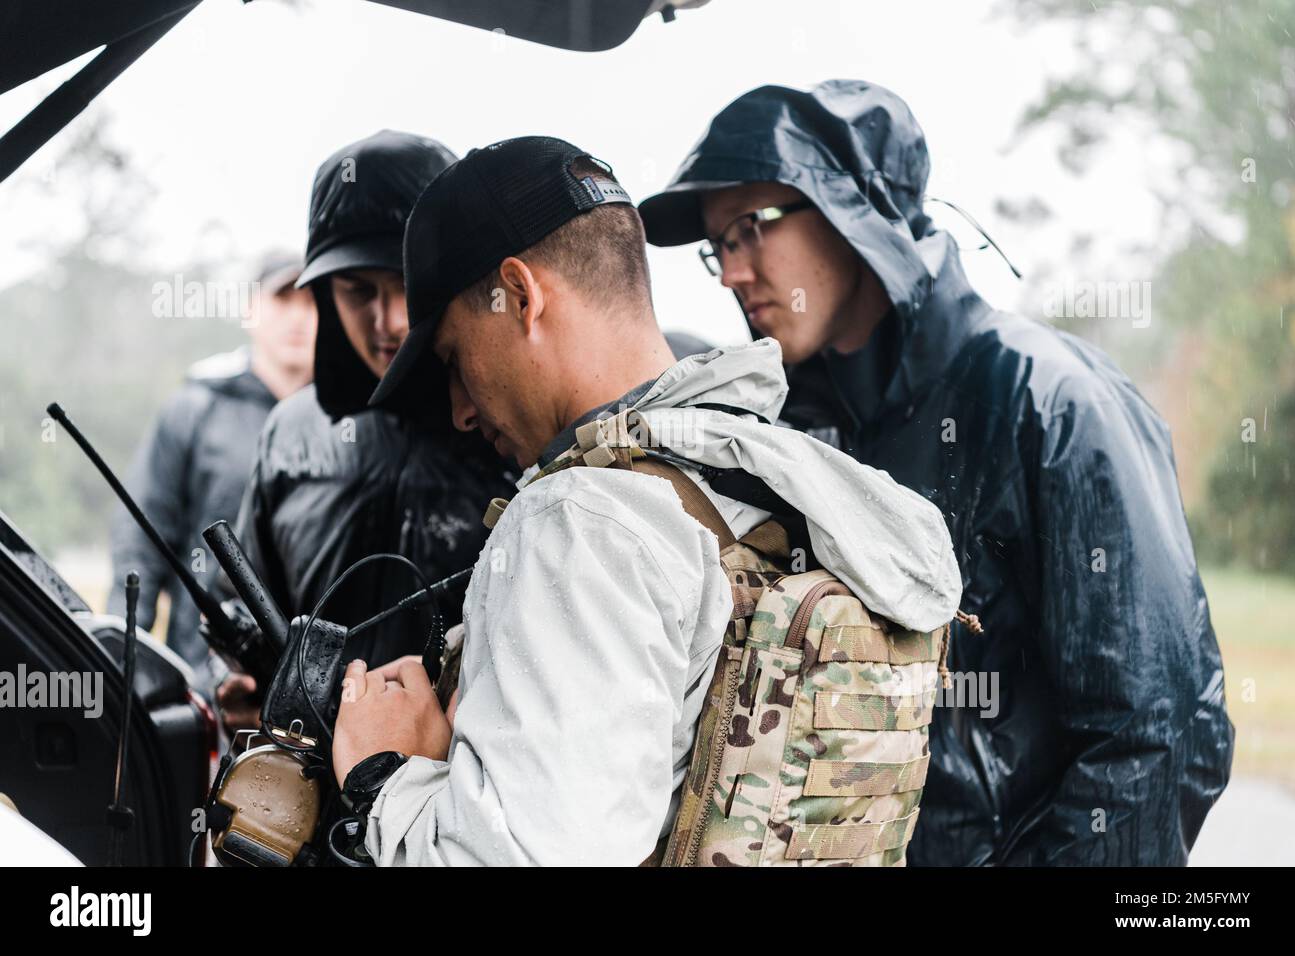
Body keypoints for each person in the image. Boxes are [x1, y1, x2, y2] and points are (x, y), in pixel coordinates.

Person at [637, 79, 1235, 866]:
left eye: (751, 229)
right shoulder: (786, 436)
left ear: (854, 210)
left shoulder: (1049, 404)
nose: (729, 273)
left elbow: (1160, 734)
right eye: (720, 246)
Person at [331, 135, 961, 866]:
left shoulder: (581, 519)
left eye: (454, 357)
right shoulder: (790, 480)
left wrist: (387, 774)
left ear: (522, 296)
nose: (462, 410)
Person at [214, 131, 520, 730]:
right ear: (325, 294)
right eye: (357, 291)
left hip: (453, 795)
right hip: (296, 793)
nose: (387, 320)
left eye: (405, 282)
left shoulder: (510, 428)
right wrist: (239, 684)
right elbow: (250, 602)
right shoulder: (289, 434)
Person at [109, 252, 315, 683]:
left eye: (311, 301)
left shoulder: (345, 423)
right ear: (250, 309)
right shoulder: (194, 409)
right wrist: (123, 668)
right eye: (283, 299)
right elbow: (141, 542)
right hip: (198, 683)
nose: (298, 316)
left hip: (309, 691)